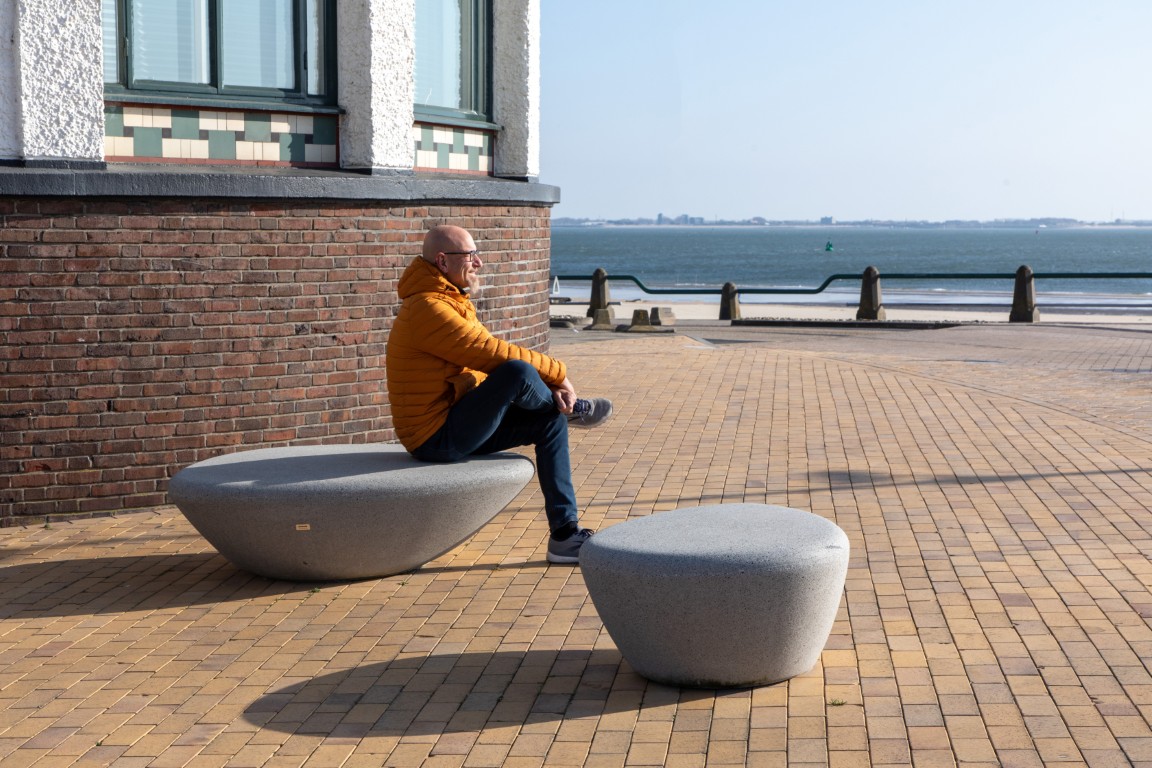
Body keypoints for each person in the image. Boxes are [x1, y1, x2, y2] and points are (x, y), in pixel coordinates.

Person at [386, 225, 613, 563]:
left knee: (549, 420)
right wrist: (558, 375)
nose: (478, 263)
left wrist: (548, 387)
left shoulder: (450, 300)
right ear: (442, 261)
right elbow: (490, 352)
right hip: (433, 437)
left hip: (454, 421)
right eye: (470, 256)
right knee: (517, 372)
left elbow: (479, 364)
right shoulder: (428, 309)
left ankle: (565, 537)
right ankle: (571, 407)